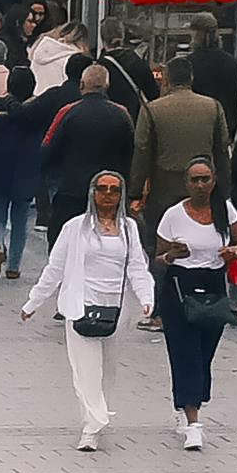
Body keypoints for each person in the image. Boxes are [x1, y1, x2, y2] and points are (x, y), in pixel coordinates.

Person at [41, 169, 154, 449]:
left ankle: (97, 414)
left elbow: (138, 267)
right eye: (101, 188)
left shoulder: (129, 228)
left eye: (114, 190)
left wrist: (146, 297)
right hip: (81, 304)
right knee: (85, 368)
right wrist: (34, 301)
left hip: (115, 307)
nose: (107, 195)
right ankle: (91, 427)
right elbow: (55, 268)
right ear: (92, 192)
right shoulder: (75, 227)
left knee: (107, 370)